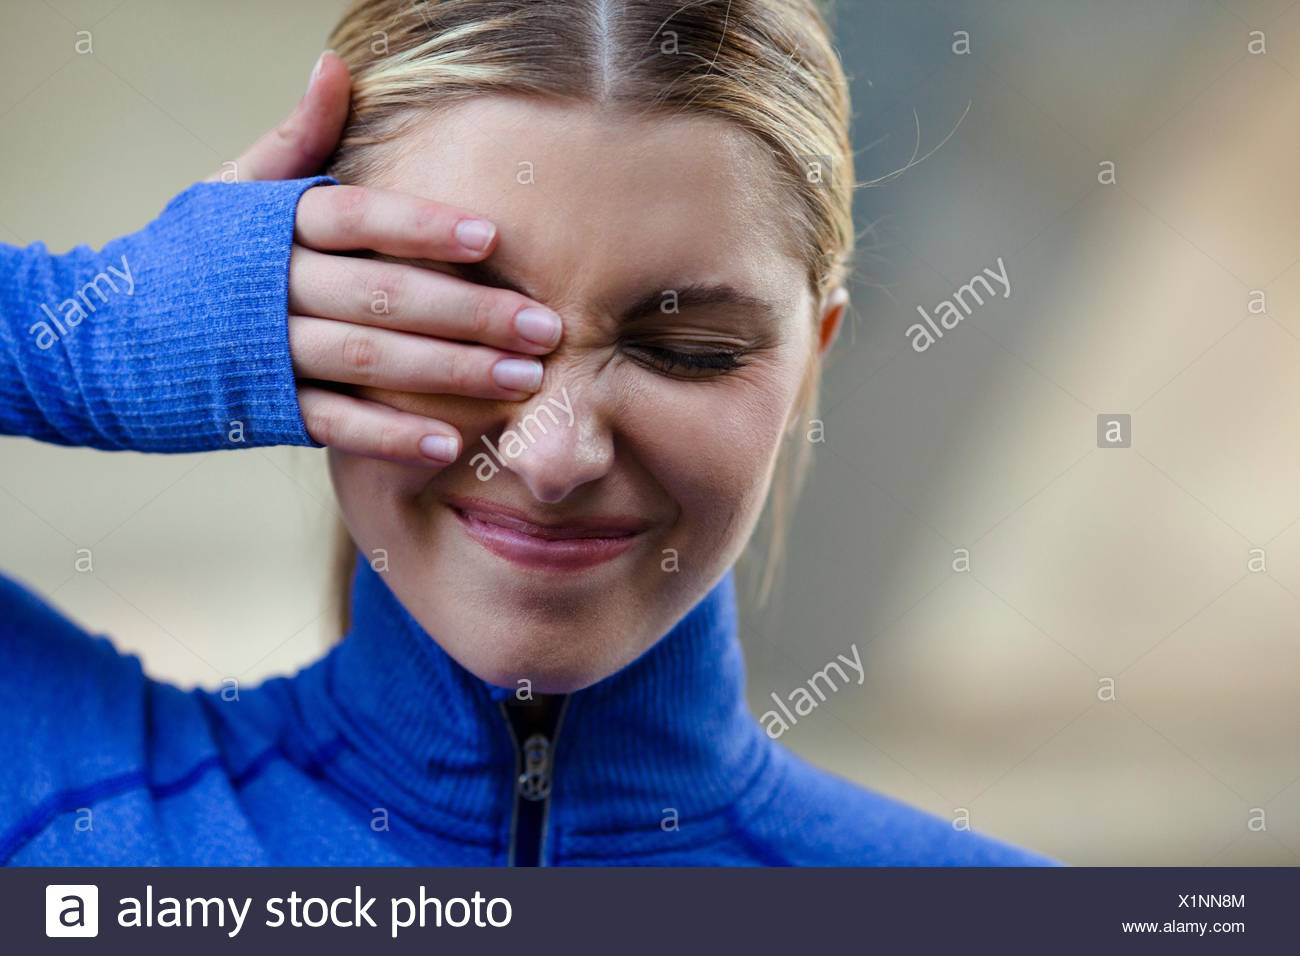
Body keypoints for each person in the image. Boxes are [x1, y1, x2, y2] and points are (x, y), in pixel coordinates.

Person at [0, 0, 1060, 866]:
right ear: (295, 327)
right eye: (444, 328)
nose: (552, 459)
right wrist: (80, 339)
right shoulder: (59, 807)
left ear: (811, 358)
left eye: (686, 349)